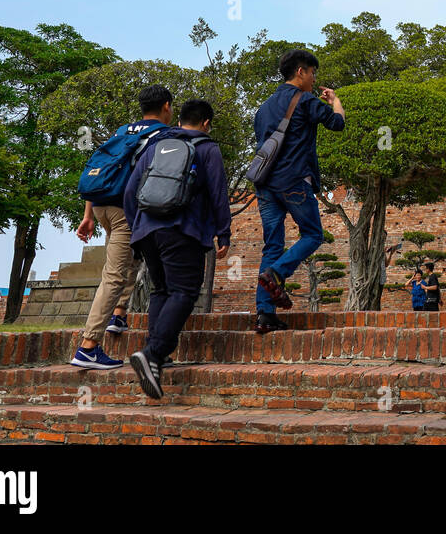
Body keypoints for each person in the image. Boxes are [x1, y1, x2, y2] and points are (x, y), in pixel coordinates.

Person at [123, 99, 231, 400]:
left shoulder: (155, 145)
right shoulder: (207, 148)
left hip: (147, 230)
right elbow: (218, 193)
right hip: (182, 230)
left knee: (161, 290)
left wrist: (138, 226)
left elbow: (132, 190)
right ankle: (153, 353)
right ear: (206, 123)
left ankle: (156, 356)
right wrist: (224, 233)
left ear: (180, 119)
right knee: (184, 292)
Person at [70, 84, 172, 371]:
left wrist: (88, 214)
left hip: (102, 205)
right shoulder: (162, 136)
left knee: (128, 260)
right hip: (125, 210)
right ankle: (88, 346)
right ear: (166, 106)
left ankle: (118, 314)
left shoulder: (122, 131)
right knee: (114, 275)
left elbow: (102, 166)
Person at [251, 49, 345, 335]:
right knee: (313, 234)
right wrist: (336, 101)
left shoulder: (263, 107)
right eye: (313, 73)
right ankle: (277, 274)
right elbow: (337, 124)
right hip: (294, 181)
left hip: (266, 184)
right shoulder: (306, 100)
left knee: (272, 245)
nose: (314, 79)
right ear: (301, 71)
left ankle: (265, 313)